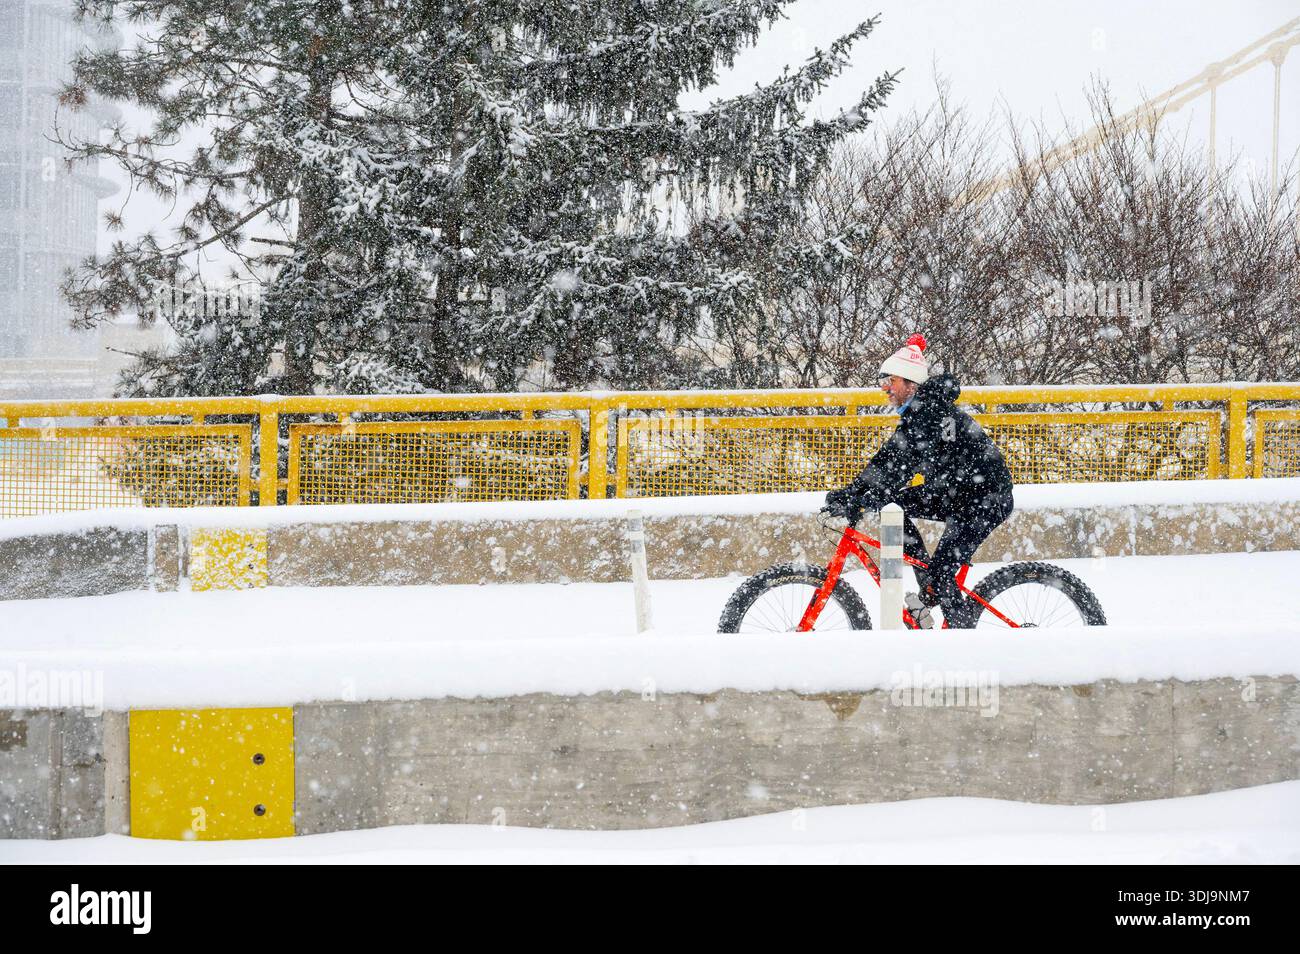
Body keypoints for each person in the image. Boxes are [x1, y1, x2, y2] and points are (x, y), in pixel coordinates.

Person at [823, 333, 1014, 628]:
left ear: (910, 383)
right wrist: (855, 493)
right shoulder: (919, 414)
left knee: (941, 572)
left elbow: (898, 468)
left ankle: (961, 633)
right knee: (892, 506)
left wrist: (861, 496)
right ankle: (929, 585)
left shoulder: (930, 415)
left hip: (984, 499)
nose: (885, 387)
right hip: (960, 493)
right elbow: (887, 461)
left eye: (891, 380)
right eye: (884, 381)